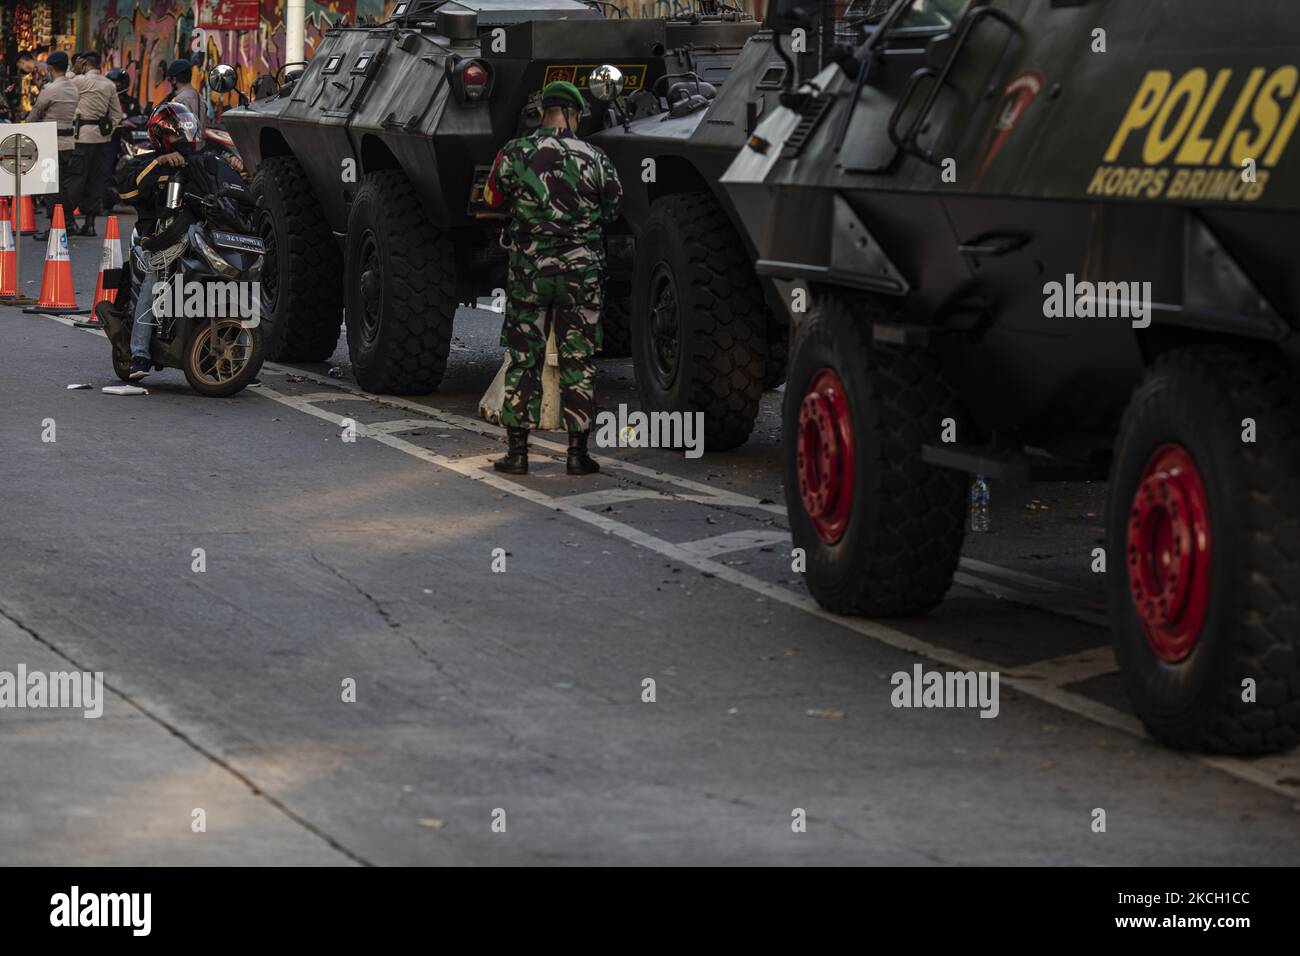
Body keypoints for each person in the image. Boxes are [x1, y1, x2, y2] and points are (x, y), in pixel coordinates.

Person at [483, 80, 623, 476]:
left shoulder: (514, 152)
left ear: (542, 112)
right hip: (581, 275)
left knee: (524, 359)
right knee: (578, 359)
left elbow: (492, 199)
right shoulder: (595, 157)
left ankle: (518, 454)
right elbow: (614, 208)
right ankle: (578, 454)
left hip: (530, 272)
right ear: (576, 115)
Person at [116, 102, 198, 380]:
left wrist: (236, 166)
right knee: (155, 282)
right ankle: (139, 353)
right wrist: (157, 162)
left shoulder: (200, 161)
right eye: (175, 133)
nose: (182, 137)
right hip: (159, 241)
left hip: (199, 239)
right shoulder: (149, 162)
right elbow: (126, 191)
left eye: (185, 131)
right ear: (160, 136)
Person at [23, 51, 78, 242]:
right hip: (68, 143)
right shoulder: (73, 89)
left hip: (50, 143)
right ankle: (68, 223)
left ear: (50, 68)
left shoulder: (50, 89)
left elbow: (35, 114)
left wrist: (24, 126)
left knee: (50, 187)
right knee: (61, 186)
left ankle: (56, 226)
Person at [67, 51, 122, 237]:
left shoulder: (79, 81)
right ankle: (89, 224)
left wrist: (73, 70)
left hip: (80, 138)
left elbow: (60, 84)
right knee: (95, 181)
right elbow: (116, 115)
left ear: (84, 64)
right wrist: (107, 131)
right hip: (101, 140)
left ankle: (69, 221)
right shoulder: (109, 84)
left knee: (75, 180)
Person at [164, 59, 205, 135]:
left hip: (185, 142)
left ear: (174, 80)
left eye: (170, 80)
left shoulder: (178, 100)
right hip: (200, 141)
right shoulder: (200, 97)